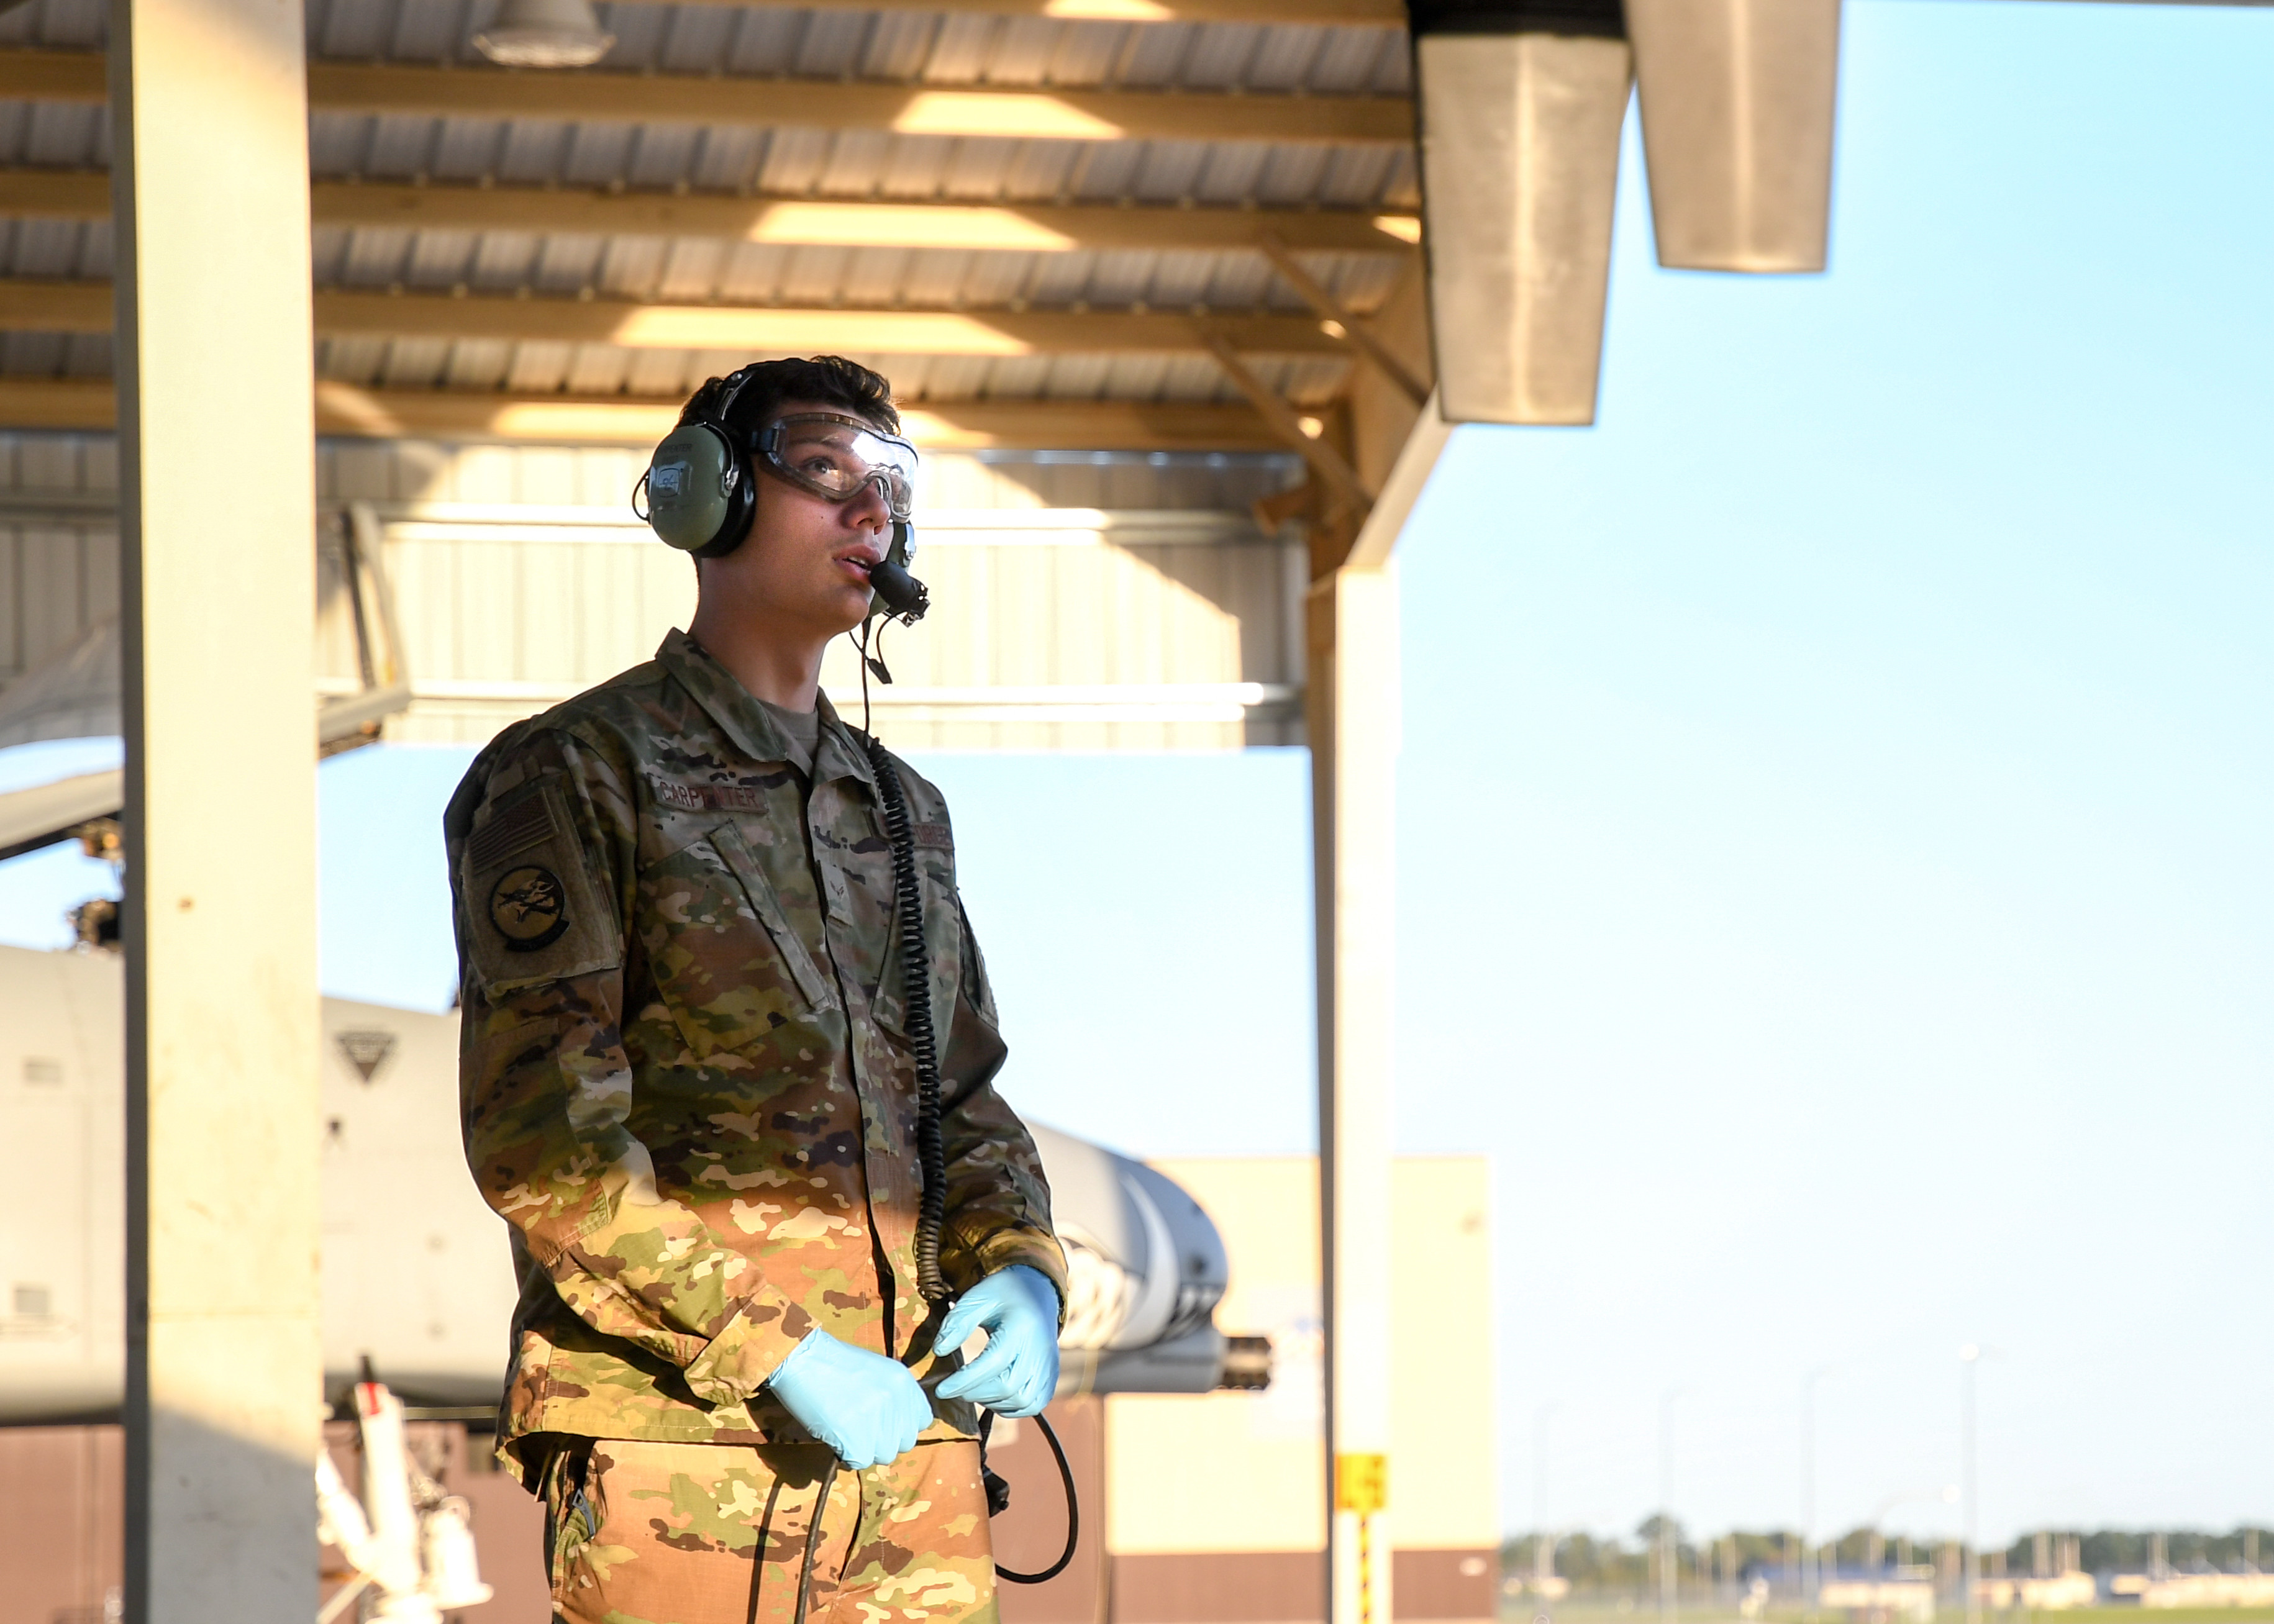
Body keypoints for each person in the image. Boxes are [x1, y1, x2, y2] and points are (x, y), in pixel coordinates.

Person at [444, 355, 1067, 1624]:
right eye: (826, 475)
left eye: (890, 487)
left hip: (915, 1453)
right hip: (685, 1453)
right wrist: (779, 1352)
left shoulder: (900, 811)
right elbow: (546, 1145)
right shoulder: (574, 773)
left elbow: (964, 1099)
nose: (870, 515)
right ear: (706, 501)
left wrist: (1026, 1271)